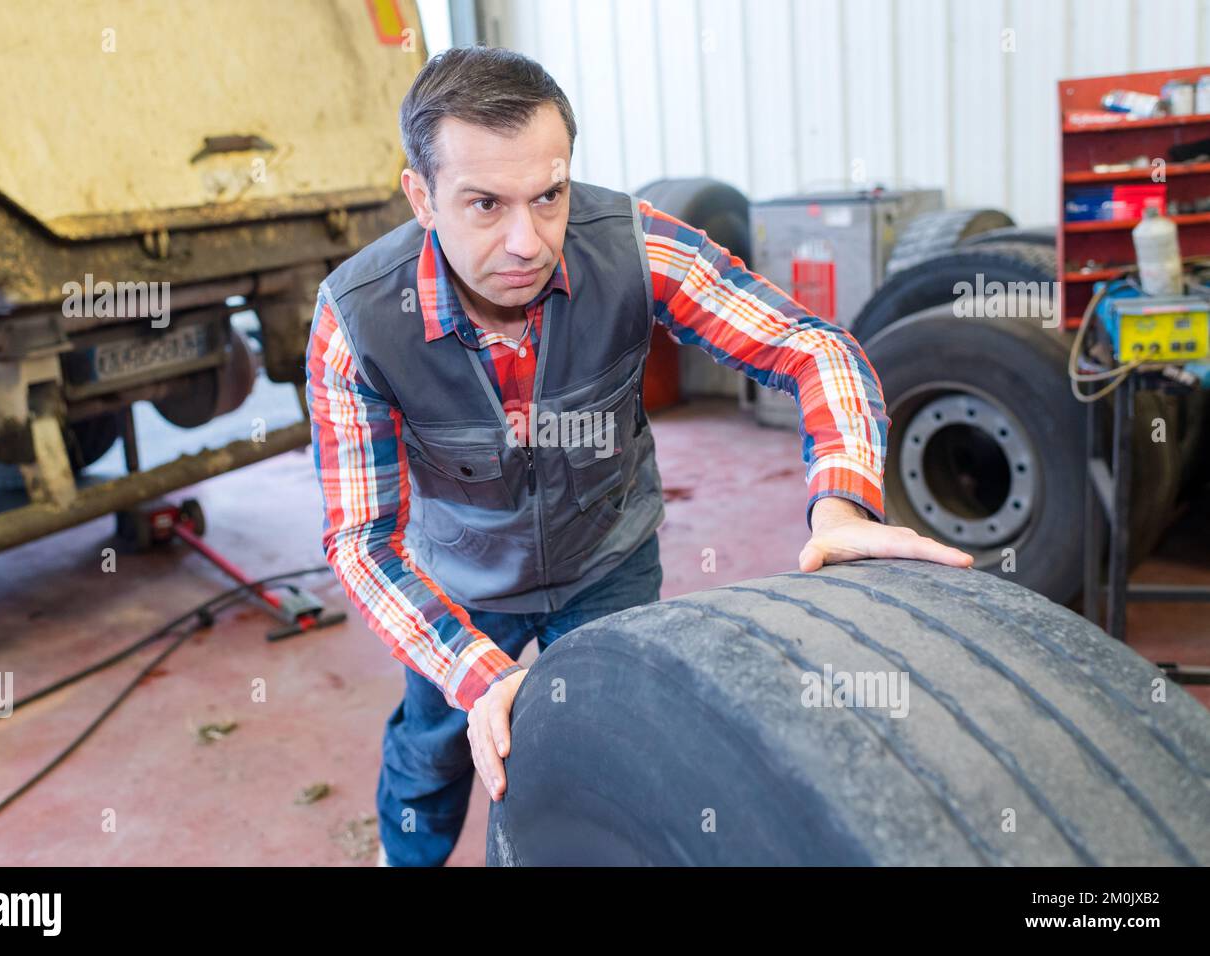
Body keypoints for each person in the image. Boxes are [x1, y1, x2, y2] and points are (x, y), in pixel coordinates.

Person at [305, 45, 972, 867]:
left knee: (627, 735)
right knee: (437, 745)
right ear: (422, 196)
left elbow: (811, 346)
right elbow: (362, 540)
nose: (527, 241)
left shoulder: (628, 243)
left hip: (607, 556)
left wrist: (842, 500)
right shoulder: (360, 319)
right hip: (460, 579)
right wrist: (475, 675)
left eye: (548, 196)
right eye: (485, 204)